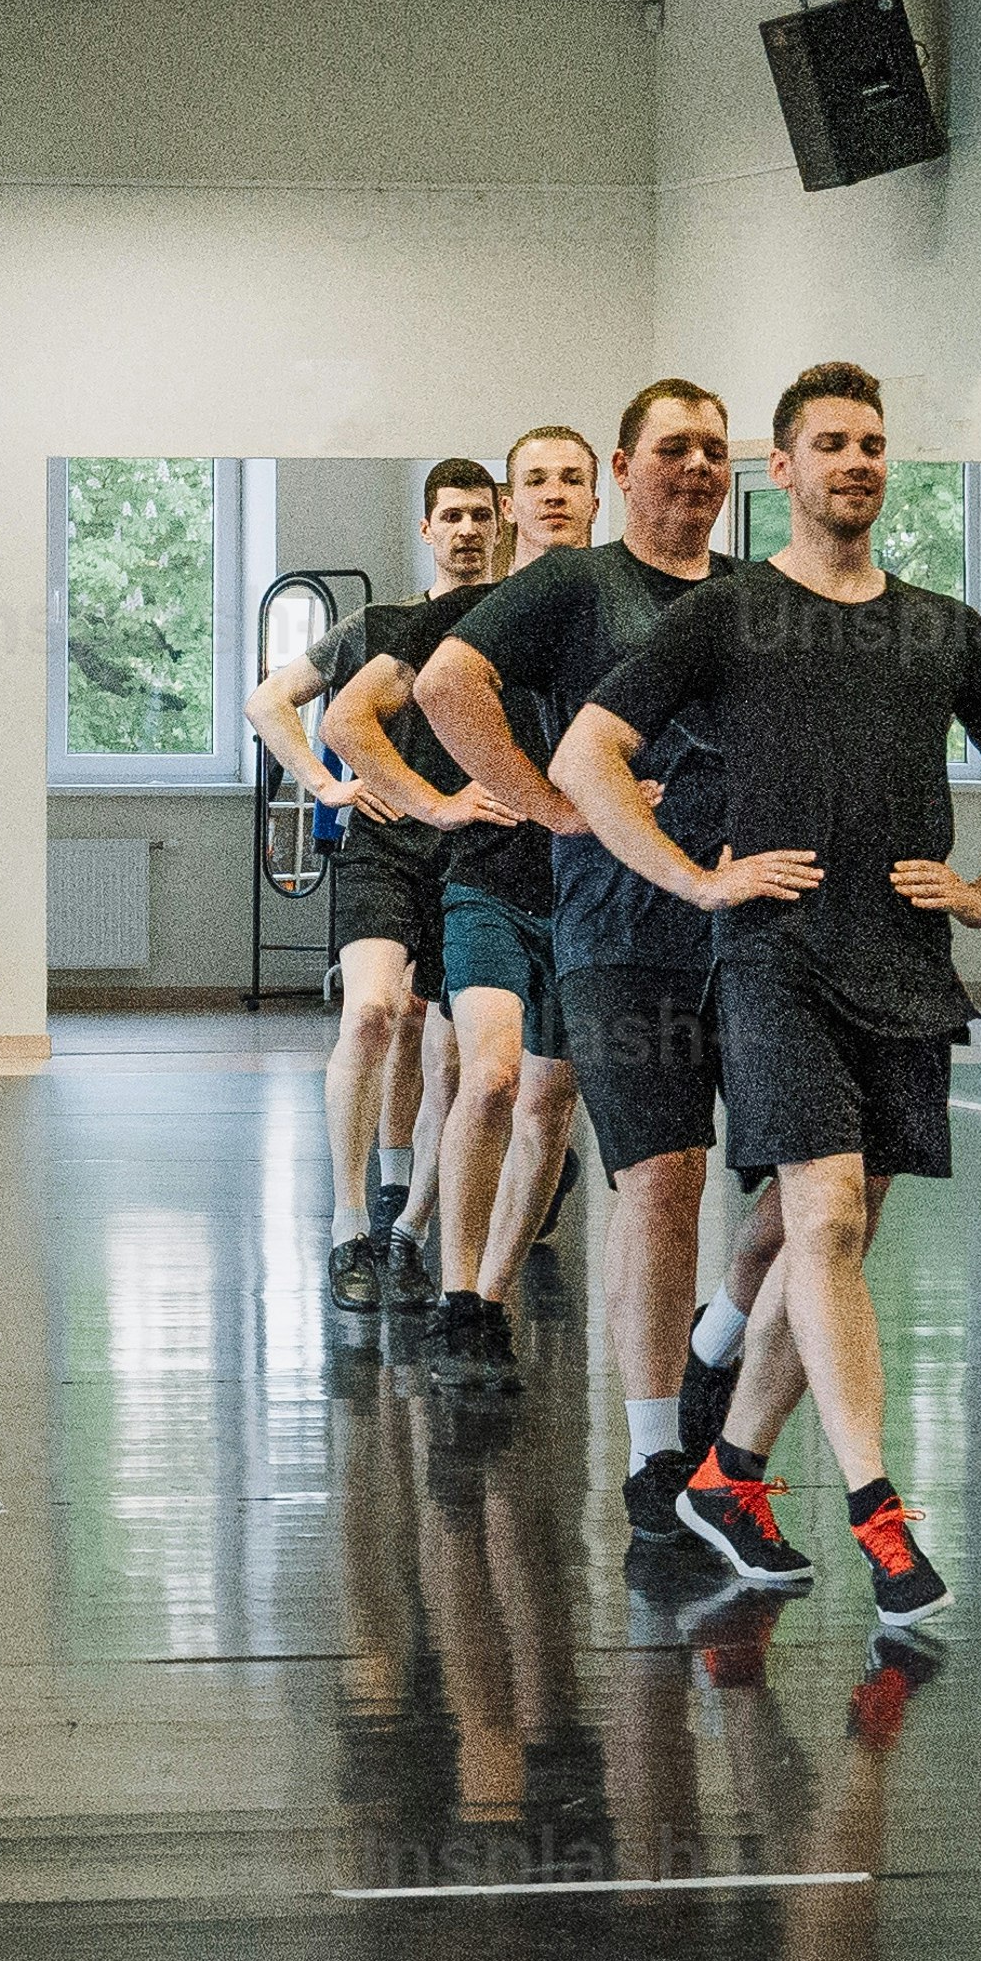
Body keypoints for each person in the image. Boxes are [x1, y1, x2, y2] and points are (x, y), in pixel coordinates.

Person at [563, 365, 981, 1634]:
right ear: (779, 471)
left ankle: (732, 1475)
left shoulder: (942, 626)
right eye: (830, 443)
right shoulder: (729, 613)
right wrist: (694, 875)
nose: (857, 459)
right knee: (827, 1217)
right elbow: (588, 753)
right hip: (773, 954)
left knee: (824, 1243)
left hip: (904, 961)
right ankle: (878, 1509)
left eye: (874, 443)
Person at [420, 388, 780, 1558]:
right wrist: (551, 803)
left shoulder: (752, 594)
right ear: (625, 467)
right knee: (663, 1178)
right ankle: (654, 1451)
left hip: (752, 925)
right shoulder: (576, 583)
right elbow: (444, 686)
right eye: (669, 448)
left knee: (813, 1190)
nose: (692, 466)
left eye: (709, 450)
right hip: (621, 927)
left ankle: (716, 1343)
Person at [322, 425, 600, 1374]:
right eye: (536, 481)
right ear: (510, 506)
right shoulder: (451, 623)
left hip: (594, 889)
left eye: (574, 479)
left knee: (537, 1102)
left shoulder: (624, 607)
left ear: (599, 499)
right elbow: (343, 717)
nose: (555, 495)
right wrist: (433, 801)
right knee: (479, 1074)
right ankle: (402, 1249)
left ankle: (464, 1273)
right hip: (478, 873)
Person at [277, 462, 511, 1292]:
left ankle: (408, 1219)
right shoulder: (378, 625)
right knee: (373, 1013)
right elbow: (275, 701)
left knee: (444, 1047)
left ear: (501, 522)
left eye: (480, 515)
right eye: (450, 516)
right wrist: (325, 784)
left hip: (474, 852)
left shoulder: (512, 620)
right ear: (427, 529)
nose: (466, 530)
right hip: (385, 840)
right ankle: (348, 1226)